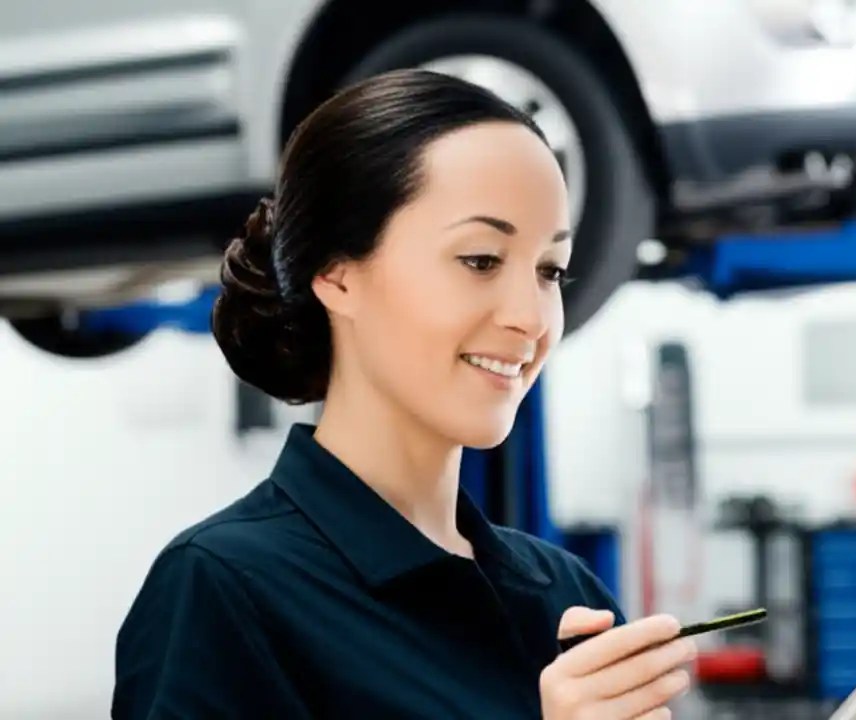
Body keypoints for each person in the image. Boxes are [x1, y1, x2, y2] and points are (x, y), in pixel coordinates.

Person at [112, 69, 696, 719]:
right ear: (336, 275)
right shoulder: (221, 587)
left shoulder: (564, 593)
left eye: (549, 270)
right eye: (480, 260)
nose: (531, 318)